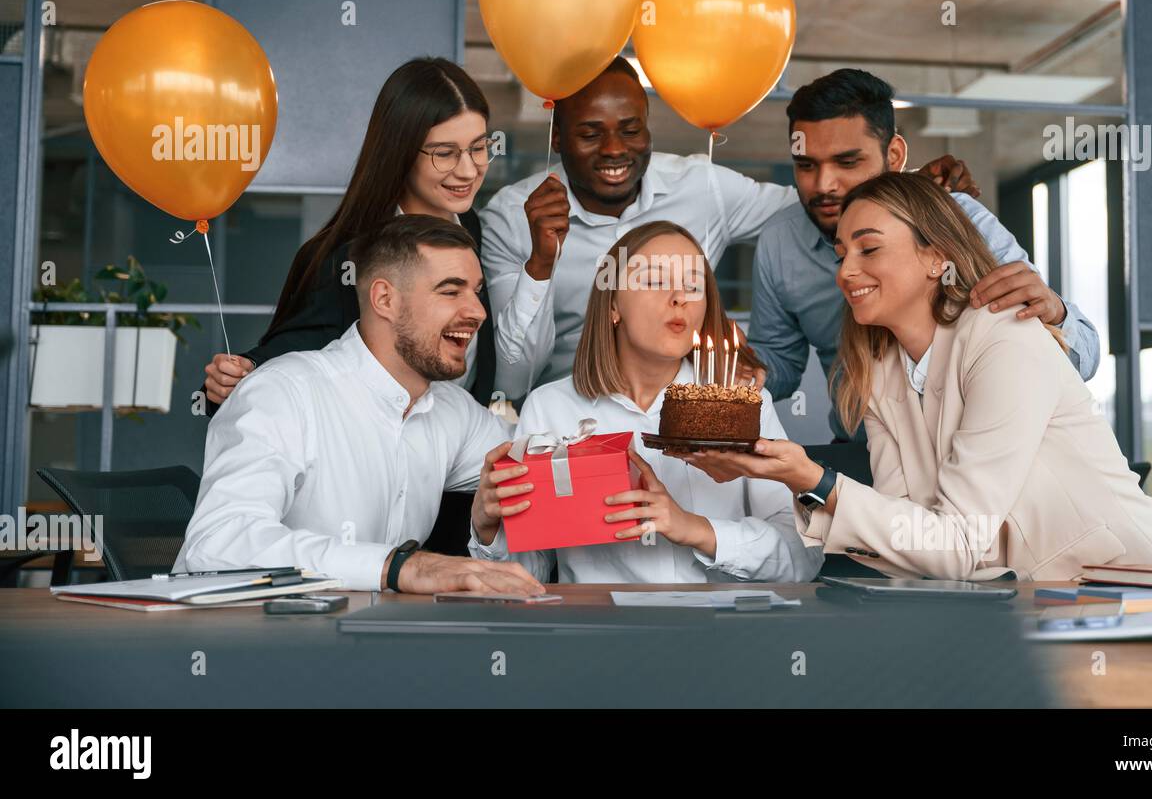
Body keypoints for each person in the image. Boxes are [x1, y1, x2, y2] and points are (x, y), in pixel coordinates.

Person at [681, 174, 1152, 582]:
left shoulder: (1005, 339)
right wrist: (792, 478)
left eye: (869, 248)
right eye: (841, 254)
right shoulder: (878, 372)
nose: (845, 271)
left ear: (936, 257)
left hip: (1147, 592)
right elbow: (915, 542)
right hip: (1051, 606)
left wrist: (812, 479)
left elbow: (956, 544)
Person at [480, 57, 977, 402]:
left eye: (630, 129)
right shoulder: (510, 215)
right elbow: (512, 378)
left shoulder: (702, 186)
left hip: (678, 415)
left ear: (649, 126)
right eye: (590, 133)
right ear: (558, 136)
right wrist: (540, 265)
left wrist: (912, 186)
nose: (614, 149)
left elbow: (822, 200)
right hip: (564, 417)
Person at [176, 216, 545, 595]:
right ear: (385, 299)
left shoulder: (453, 410)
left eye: (477, 291)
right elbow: (217, 544)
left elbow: (539, 473)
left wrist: (490, 526)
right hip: (245, 640)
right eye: (451, 292)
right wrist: (398, 566)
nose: (479, 312)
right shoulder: (282, 391)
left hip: (363, 641)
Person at [745, 68, 1100, 440]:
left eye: (847, 163)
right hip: (862, 450)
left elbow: (1082, 356)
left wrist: (1054, 314)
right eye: (806, 165)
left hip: (974, 442)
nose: (824, 185)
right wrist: (740, 371)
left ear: (894, 154)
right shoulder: (780, 242)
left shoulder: (958, 220)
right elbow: (779, 363)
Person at [467, 220, 822, 584]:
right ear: (613, 305)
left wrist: (694, 529)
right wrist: (488, 528)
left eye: (693, 285)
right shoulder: (551, 407)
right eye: (653, 281)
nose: (679, 297)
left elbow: (803, 559)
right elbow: (527, 574)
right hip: (600, 631)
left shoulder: (743, 403)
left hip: (717, 632)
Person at [202, 57, 499, 411]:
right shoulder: (348, 256)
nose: (468, 170)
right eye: (445, 154)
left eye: (479, 148)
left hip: (462, 448)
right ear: (401, 152)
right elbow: (299, 348)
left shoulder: (471, 226)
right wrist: (243, 371)